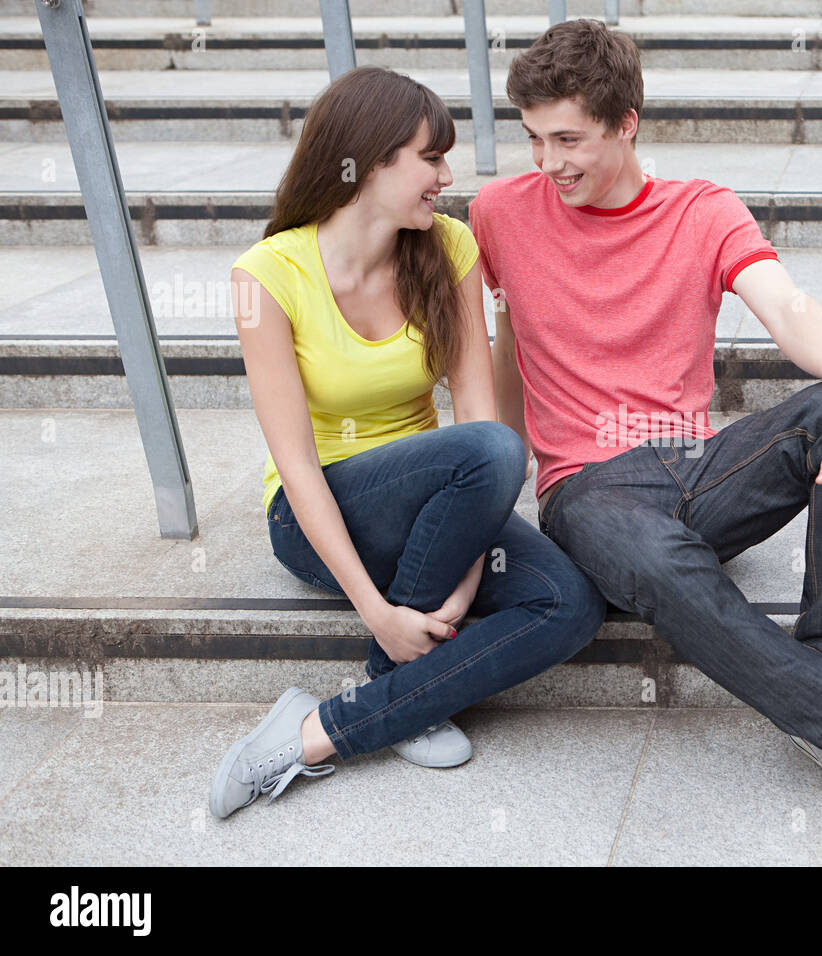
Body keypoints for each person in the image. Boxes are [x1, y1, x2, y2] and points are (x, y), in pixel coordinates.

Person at [470, 20, 822, 852]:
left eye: (569, 139)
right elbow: (469, 330)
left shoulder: (701, 209)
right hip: (588, 489)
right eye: (532, 139)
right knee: (659, 559)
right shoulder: (499, 212)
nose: (548, 163)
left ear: (626, 124)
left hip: (695, 466)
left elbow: (784, 304)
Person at [209, 67, 606, 820]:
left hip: (447, 506)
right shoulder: (265, 276)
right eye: (430, 158)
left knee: (570, 603)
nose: (446, 177)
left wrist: (460, 584)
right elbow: (295, 464)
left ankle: (330, 724)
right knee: (490, 452)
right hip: (321, 510)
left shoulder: (448, 248)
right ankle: (393, 681)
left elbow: (480, 417)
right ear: (369, 160)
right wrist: (379, 614)